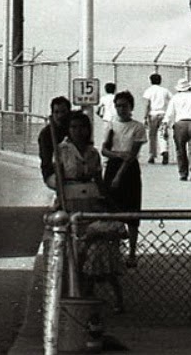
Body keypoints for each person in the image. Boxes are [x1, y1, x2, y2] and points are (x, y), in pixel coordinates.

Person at [102, 90, 147, 267]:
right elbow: (104, 149)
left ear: (131, 107)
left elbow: (132, 155)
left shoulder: (137, 127)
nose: (121, 109)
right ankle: (113, 252)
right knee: (111, 210)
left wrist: (119, 176)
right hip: (113, 165)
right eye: (118, 106)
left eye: (124, 106)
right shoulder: (111, 125)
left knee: (132, 210)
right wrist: (119, 154)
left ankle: (132, 253)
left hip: (129, 171)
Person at [53, 110, 105, 211]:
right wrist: (60, 199)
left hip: (91, 195)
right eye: (73, 127)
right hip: (69, 195)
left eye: (82, 127)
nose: (78, 131)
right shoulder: (61, 150)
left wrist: (103, 198)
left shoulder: (93, 152)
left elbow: (99, 179)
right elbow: (59, 178)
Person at [165, 78, 191, 182]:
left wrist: (165, 125)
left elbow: (169, 114)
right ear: (190, 87)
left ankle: (183, 173)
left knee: (180, 150)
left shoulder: (175, 98)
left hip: (180, 124)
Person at [37, 96, 73, 190]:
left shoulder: (74, 128)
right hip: (53, 173)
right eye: (56, 112)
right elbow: (46, 160)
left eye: (63, 112)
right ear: (52, 113)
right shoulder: (46, 134)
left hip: (74, 170)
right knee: (62, 184)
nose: (60, 116)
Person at [141, 73, 174, 165]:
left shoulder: (149, 90)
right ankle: (164, 151)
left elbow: (147, 104)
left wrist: (145, 117)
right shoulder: (165, 90)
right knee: (163, 134)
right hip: (163, 114)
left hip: (153, 114)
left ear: (150, 81)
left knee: (152, 136)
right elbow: (172, 100)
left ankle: (152, 155)